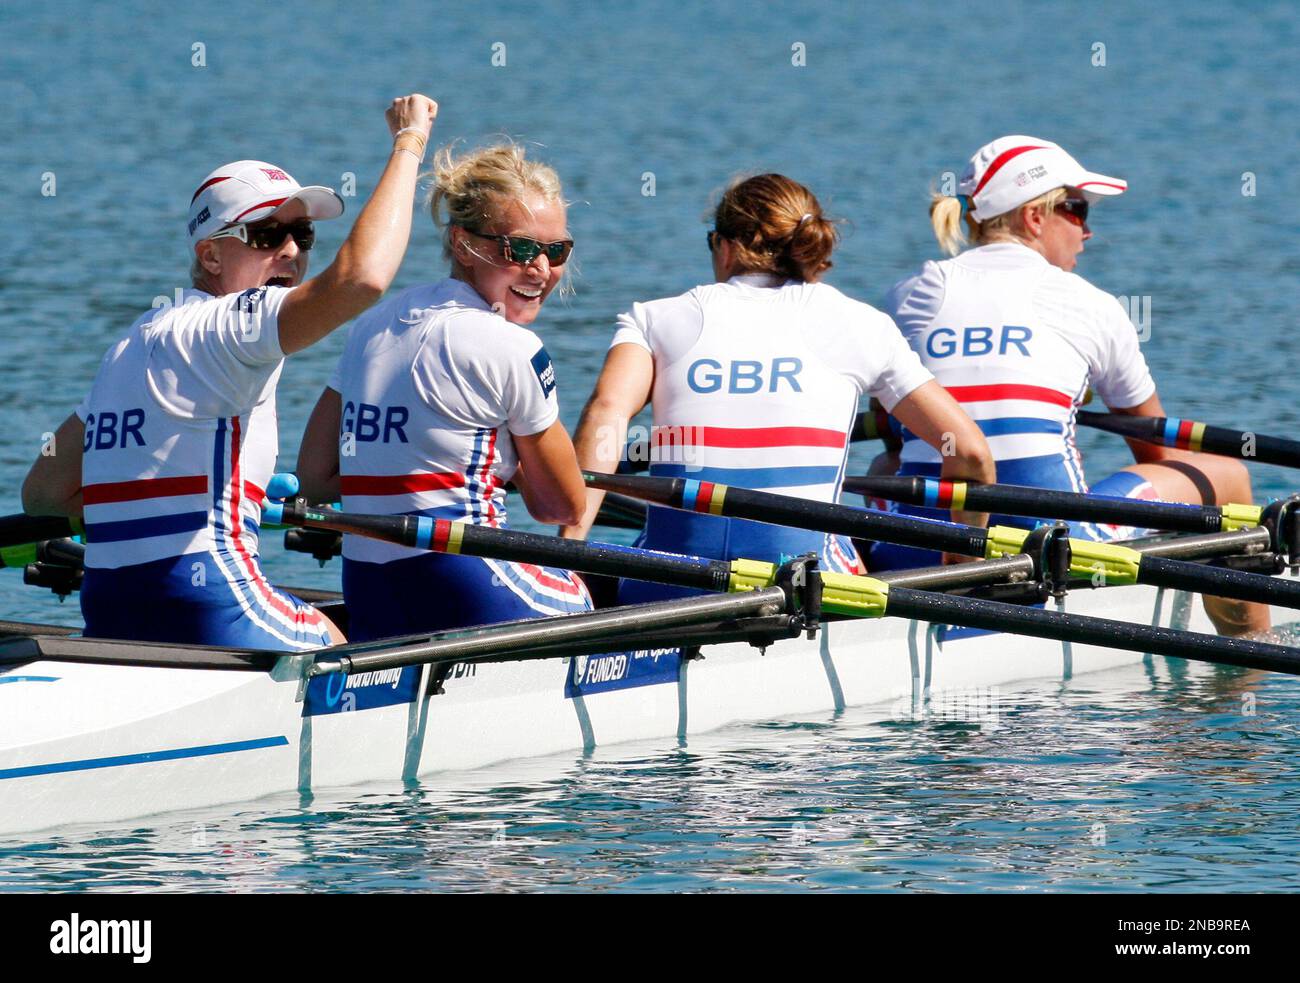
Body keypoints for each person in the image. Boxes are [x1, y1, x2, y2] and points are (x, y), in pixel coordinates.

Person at [21, 94, 439, 649]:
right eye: (266, 236)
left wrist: (199, 500)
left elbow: (44, 493)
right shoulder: (227, 328)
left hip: (113, 607)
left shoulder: (130, 343)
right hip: (213, 601)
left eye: (302, 235)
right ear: (211, 256)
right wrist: (409, 143)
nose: (291, 251)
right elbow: (360, 279)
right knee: (354, 657)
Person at [872, 135, 1266, 635]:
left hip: (913, 543)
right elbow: (1155, 453)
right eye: (1078, 211)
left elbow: (894, 430)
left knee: (885, 464)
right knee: (1224, 474)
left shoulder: (906, 294)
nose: (1088, 232)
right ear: (1034, 217)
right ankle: (1248, 664)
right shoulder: (1091, 304)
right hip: (1052, 542)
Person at [562, 173, 995, 602]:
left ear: (726, 246)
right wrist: (963, 555)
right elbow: (969, 451)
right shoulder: (862, 325)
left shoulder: (653, 318)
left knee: (639, 550)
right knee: (850, 548)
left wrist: (569, 548)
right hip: (809, 586)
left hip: (663, 585)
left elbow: (607, 415)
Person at [296, 143, 591, 641]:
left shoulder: (370, 327)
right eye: (518, 248)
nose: (540, 268)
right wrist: (512, 462)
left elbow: (317, 480)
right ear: (461, 244)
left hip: (373, 592)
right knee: (592, 595)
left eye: (555, 250)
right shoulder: (514, 345)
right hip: (472, 585)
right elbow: (562, 508)